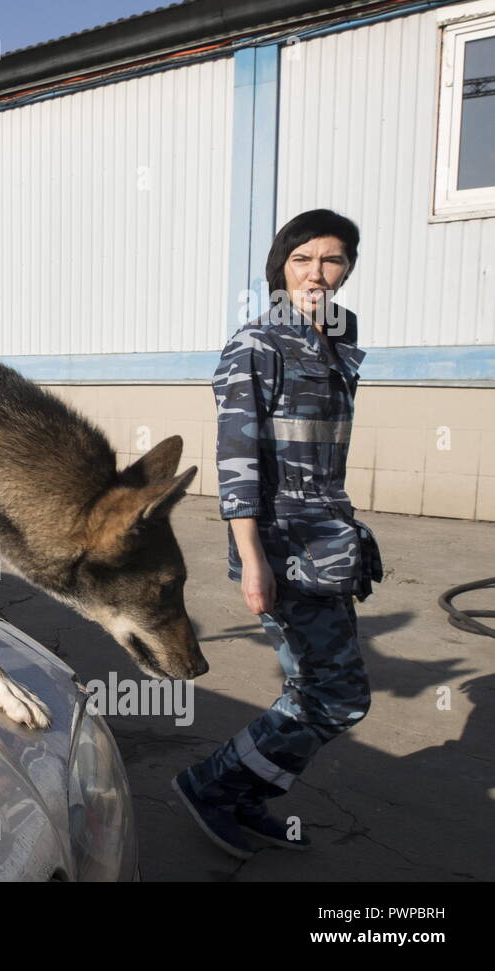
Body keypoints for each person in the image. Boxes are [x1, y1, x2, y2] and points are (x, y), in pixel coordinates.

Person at [172, 209, 382, 859]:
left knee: (314, 691)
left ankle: (240, 793)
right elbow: (237, 457)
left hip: (328, 542)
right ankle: (213, 785)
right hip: (284, 548)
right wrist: (251, 559)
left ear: (347, 268)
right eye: (303, 259)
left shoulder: (338, 339)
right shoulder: (256, 343)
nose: (318, 273)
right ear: (281, 266)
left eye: (333, 259)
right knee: (336, 697)